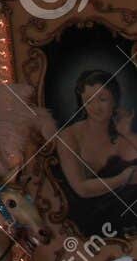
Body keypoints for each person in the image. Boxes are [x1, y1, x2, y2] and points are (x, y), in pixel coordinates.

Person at [56, 72, 137, 234]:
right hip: (92, 223)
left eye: (102, 99)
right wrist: (123, 178)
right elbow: (81, 188)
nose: (96, 107)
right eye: (89, 101)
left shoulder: (123, 131)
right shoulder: (69, 136)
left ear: (114, 101)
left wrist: (127, 134)